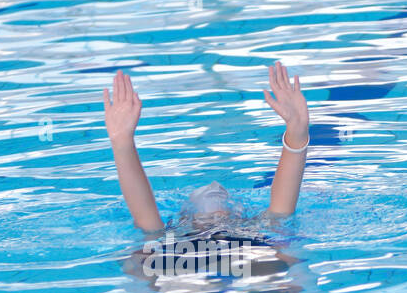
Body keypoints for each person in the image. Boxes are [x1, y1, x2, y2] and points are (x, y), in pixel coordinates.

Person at [102, 61, 310, 234]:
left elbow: (145, 216)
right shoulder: (170, 242)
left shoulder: (169, 243)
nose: (214, 187)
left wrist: (297, 131)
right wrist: (122, 143)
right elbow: (144, 214)